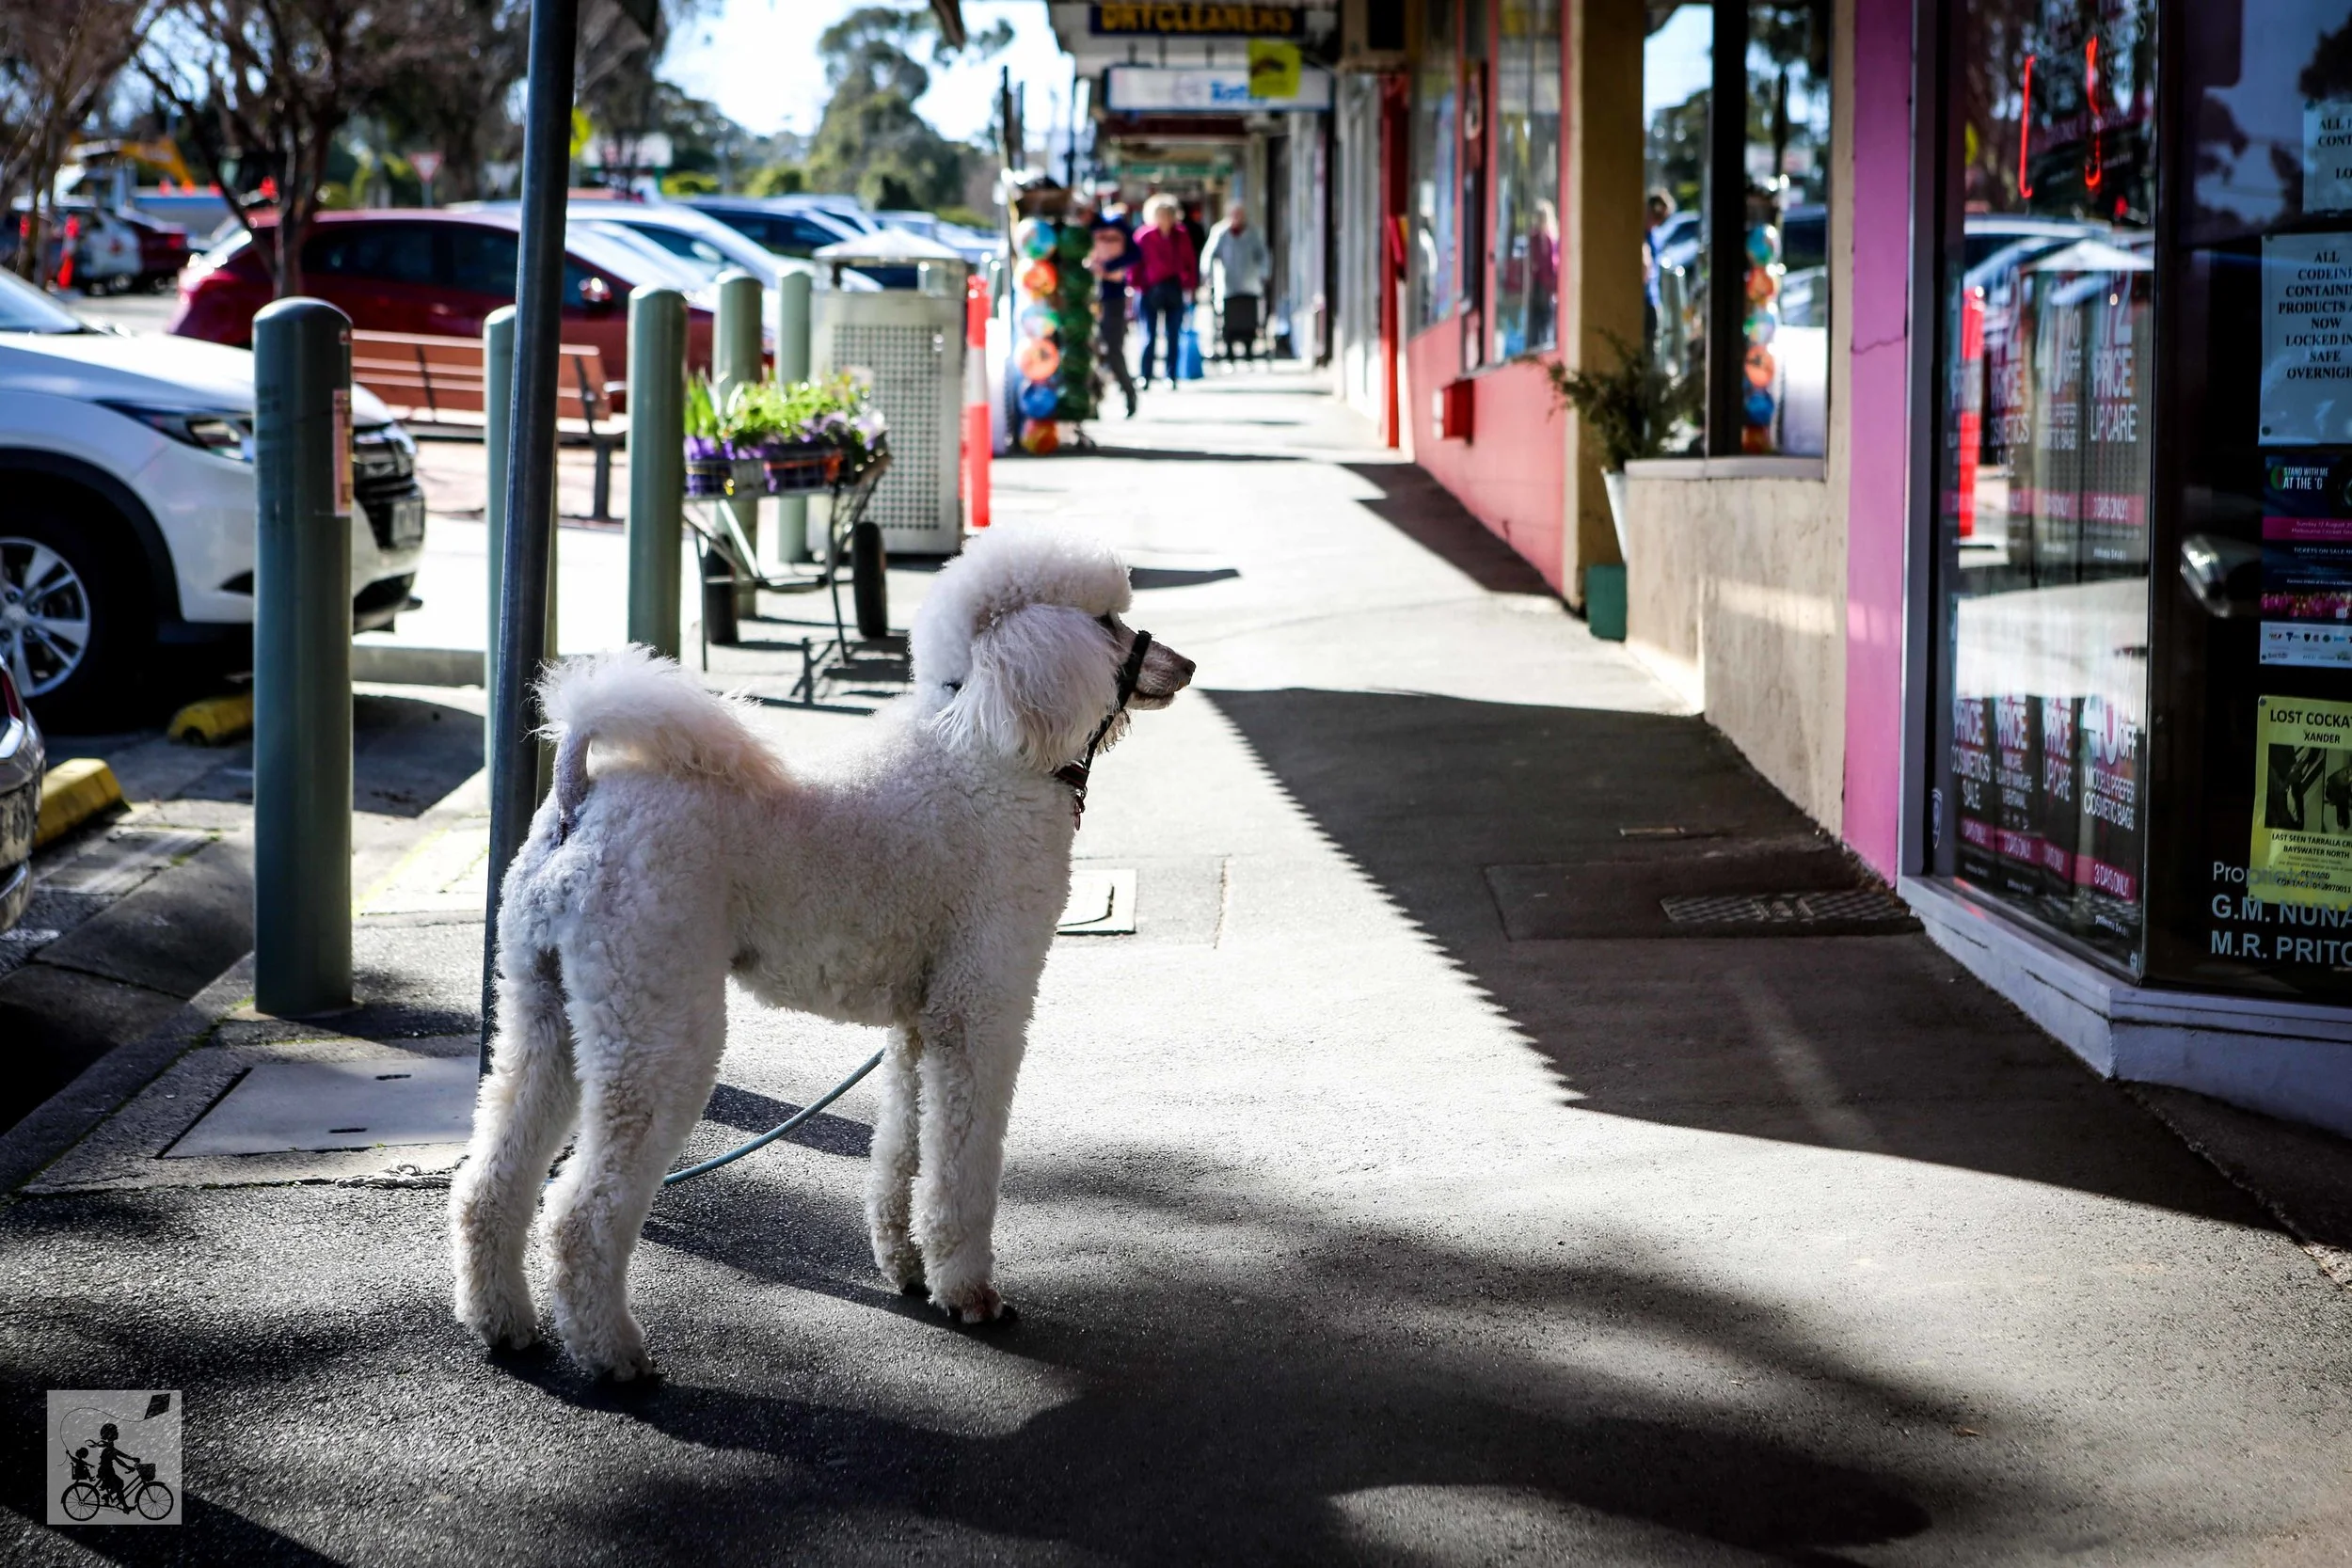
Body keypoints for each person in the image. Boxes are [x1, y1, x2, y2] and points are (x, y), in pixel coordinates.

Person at [1130, 194, 1198, 389]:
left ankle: (1171, 375)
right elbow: (1135, 265)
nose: (1164, 219)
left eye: (1168, 214)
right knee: (1148, 335)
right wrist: (1135, 286)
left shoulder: (1181, 235)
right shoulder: (1144, 235)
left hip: (1173, 288)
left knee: (1173, 334)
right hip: (1149, 289)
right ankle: (1146, 375)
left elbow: (1189, 263)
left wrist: (1190, 286)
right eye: (1160, 215)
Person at [1085, 190, 1140, 417]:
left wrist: (1108, 266)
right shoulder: (1080, 232)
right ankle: (1092, 403)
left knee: (1113, 348)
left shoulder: (1114, 225)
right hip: (1086, 298)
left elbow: (1136, 253)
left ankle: (1129, 393)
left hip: (1112, 296)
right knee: (1089, 349)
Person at [1200, 201, 1272, 364]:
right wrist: (1207, 274)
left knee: (1249, 320)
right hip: (1227, 284)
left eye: (1240, 214)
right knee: (1228, 322)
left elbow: (1263, 254)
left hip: (1249, 283)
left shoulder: (1253, 232)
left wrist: (1264, 273)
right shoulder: (1220, 232)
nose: (1237, 218)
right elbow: (1208, 255)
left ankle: (1248, 352)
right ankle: (1230, 353)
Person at [1644, 189, 1677, 347]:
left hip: (1652, 299)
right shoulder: (1640, 233)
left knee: (1651, 347)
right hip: (1643, 300)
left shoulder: (1654, 235)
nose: (1659, 220)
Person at [93, 1423, 142, 1509]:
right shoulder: (109, 1448)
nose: (118, 1433)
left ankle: (107, 1496)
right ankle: (125, 1507)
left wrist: (131, 1458)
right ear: (110, 1434)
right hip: (106, 1471)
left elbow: (119, 1453)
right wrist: (128, 1467)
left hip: (108, 1470)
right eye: (115, 1431)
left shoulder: (110, 1446)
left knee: (120, 1483)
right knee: (118, 1486)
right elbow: (118, 1459)